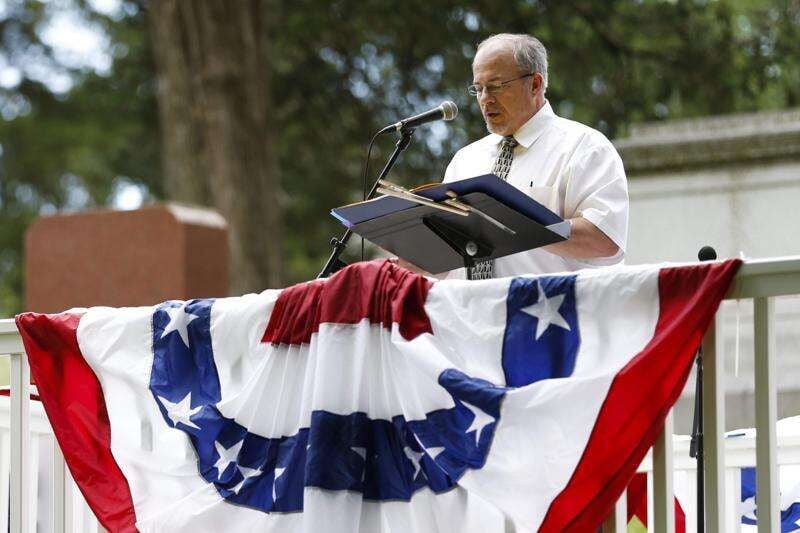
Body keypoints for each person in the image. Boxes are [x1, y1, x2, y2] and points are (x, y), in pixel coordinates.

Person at [442, 33, 628, 279]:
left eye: (496, 85)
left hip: (547, 313)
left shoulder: (585, 147)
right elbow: (442, 254)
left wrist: (516, 224)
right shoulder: (465, 160)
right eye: (478, 88)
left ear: (535, 84)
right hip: (471, 311)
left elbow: (605, 238)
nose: (485, 99)